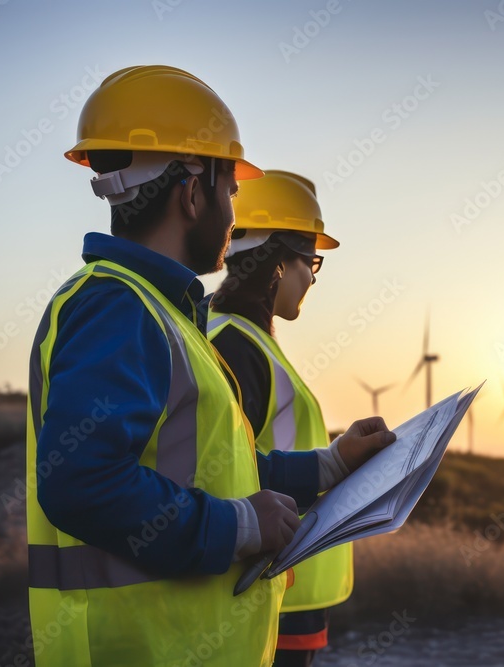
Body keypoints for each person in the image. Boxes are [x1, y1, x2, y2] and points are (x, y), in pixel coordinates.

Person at [26, 65, 394, 666]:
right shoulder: (117, 307)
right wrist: (238, 529)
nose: (232, 214)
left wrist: (330, 463)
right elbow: (82, 481)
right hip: (143, 649)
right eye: (231, 190)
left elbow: (220, 469)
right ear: (192, 191)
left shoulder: (161, 313)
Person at [207, 171, 357, 666]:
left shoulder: (249, 340)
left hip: (287, 581)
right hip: (270, 584)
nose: (312, 276)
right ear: (276, 263)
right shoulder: (232, 344)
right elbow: (223, 469)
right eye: (309, 261)